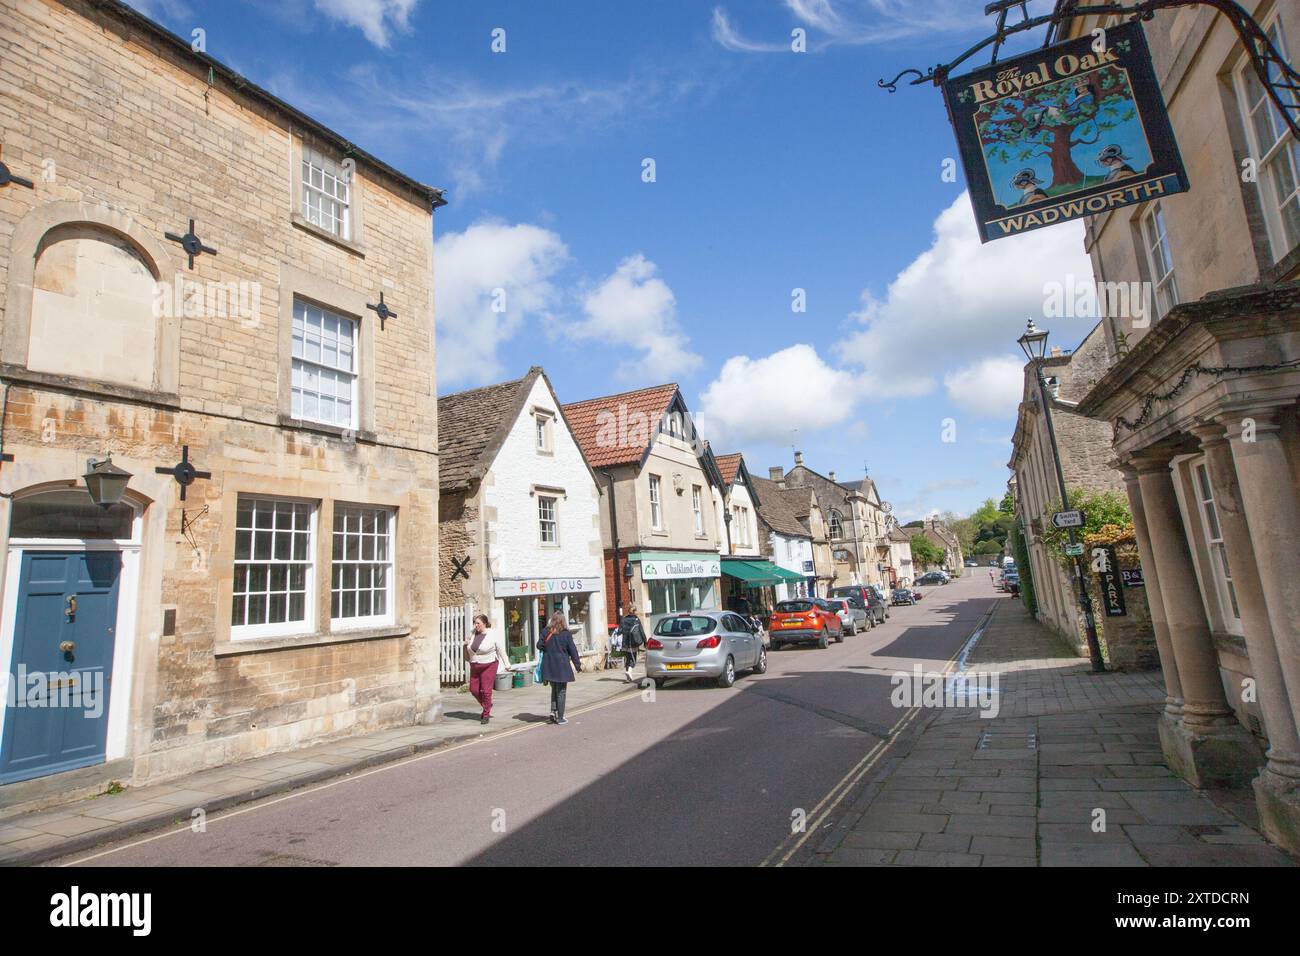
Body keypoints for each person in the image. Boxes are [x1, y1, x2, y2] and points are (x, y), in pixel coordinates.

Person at [466, 613, 511, 725]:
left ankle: (486, 714)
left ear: (484, 624)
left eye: (478, 623)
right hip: (475, 664)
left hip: (489, 664)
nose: (476, 625)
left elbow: (500, 649)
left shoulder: (492, 634)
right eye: (475, 623)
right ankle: (487, 704)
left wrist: (507, 664)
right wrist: (466, 644)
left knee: (486, 691)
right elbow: (470, 648)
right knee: (473, 689)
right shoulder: (472, 634)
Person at [538, 610, 582, 725]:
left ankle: (553, 711)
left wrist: (547, 648)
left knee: (554, 689)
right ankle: (561, 717)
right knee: (561, 691)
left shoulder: (546, 631)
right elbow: (573, 650)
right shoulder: (566, 634)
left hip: (549, 665)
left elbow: (539, 645)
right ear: (563, 621)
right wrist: (577, 665)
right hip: (561, 666)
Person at [619, 603, 646, 683]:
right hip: (633, 643)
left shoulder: (623, 619)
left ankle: (628, 678)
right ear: (634, 611)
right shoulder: (636, 620)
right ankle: (629, 671)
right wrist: (645, 641)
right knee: (633, 660)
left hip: (625, 643)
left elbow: (620, 631)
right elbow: (641, 631)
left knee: (627, 659)